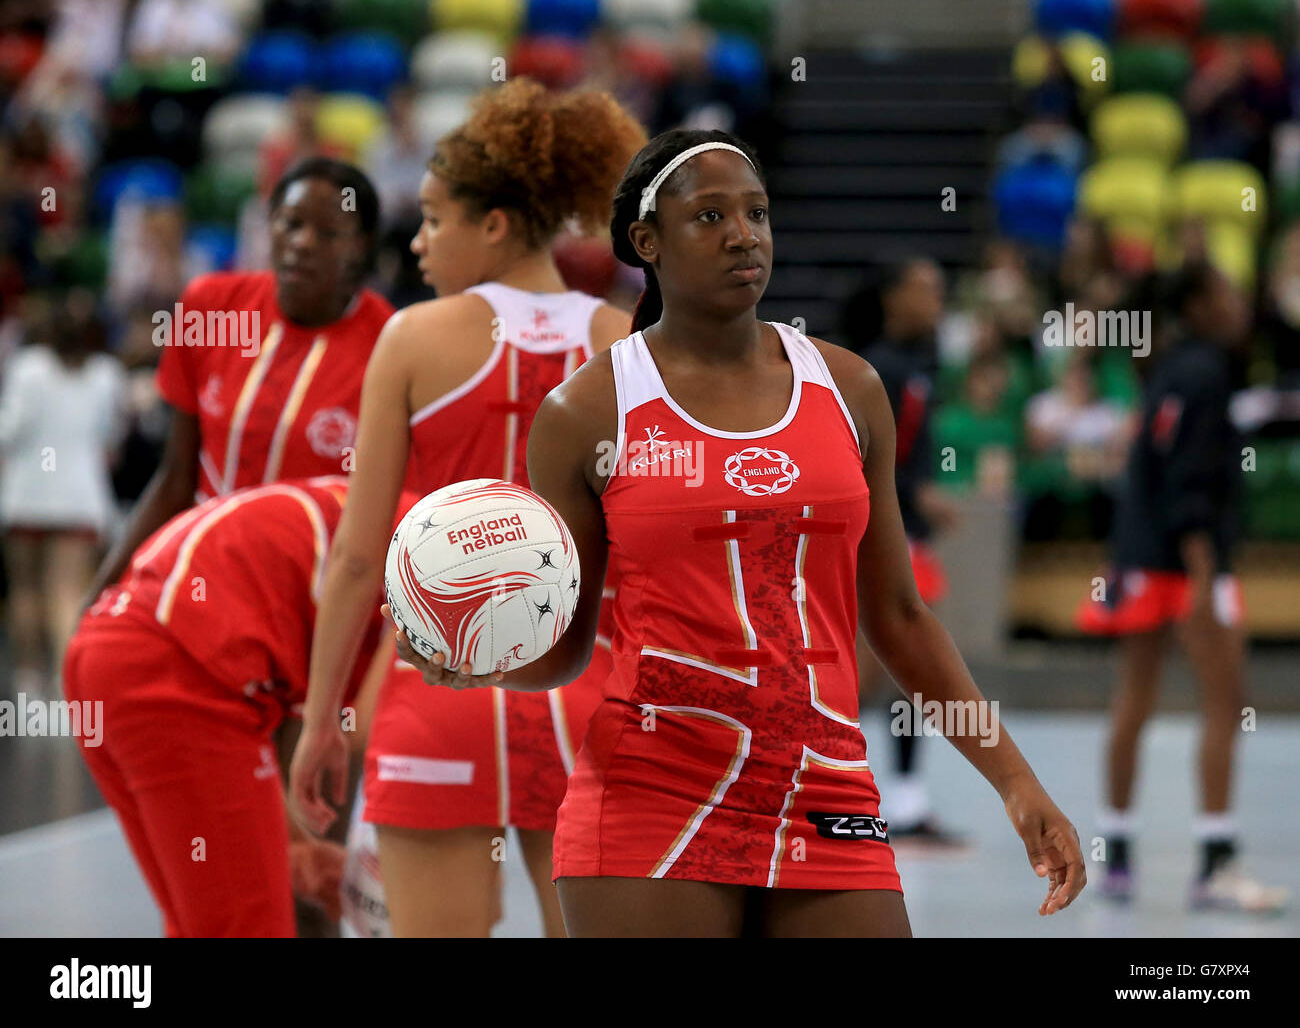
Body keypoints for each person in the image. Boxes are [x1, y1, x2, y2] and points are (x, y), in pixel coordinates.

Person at [389, 128, 1086, 937]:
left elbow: (897, 615)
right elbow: (567, 643)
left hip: (824, 780)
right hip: (651, 789)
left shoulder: (850, 388)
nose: (742, 235)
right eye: (710, 216)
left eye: (755, 213)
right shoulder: (585, 411)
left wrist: (1014, 780)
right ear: (646, 242)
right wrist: (478, 662)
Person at [290, 78, 646, 938]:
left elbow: (356, 557)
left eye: (432, 218)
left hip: (438, 686)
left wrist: (321, 718)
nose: (415, 244)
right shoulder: (620, 341)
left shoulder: (412, 337)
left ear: (492, 226)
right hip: (581, 689)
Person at [63, 477, 419, 937]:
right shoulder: (434, 566)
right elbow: (368, 729)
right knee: (247, 927)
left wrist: (291, 841)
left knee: (203, 921)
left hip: (109, 648)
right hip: (175, 668)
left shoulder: (376, 510)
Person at [84, 158, 392, 609]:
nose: (303, 243)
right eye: (291, 223)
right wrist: (99, 597)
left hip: (315, 601)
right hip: (206, 580)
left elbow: (388, 517)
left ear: (362, 247)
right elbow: (175, 480)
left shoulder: (393, 346)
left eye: (328, 233)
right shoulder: (209, 308)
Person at [1077, 261, 1288, 913]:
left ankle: (1115, 855)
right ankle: (1215, 864)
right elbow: (1190, 481)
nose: (1236, 302)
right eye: (1223, 290)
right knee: (1227, 702)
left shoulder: (1167, 368)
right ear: (1198, 305)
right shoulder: (1206, 372)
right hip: (1189, 565)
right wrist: (1204, 574)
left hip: (1140, 557)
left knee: (1132, 702)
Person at [856, 258, 965, 848]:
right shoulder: (881, 371)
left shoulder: (916, 368)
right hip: (879, 542)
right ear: (894, 297)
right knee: (866, 677)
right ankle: (811, 791)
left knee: (910, 679)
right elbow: (868, 457)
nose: (936, 298)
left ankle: (905, 803)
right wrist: (918, 493)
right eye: (924, 287)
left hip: (906, 539)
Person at [0, 291, 126, 695]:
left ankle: (28, 679)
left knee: (25, 589)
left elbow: (9, 431)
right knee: (67, 591)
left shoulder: (28, 369)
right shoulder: (108, 374)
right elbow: (113, 440)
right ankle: (65, 680)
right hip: (79, 498)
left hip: (28, 496)